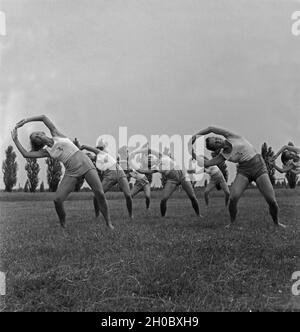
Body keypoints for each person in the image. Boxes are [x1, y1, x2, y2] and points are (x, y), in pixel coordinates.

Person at [11, 115, 113, 229]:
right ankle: (63, 225)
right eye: (35, 137)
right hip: (71, 171)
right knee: (57, 200)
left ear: (43, 132)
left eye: (38, 133)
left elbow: (43, 117)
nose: (38, 136)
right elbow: (26, 154)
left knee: (100, 193)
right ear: (38, 143)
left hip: (85, 163)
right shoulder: (47, 152)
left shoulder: (56, 134)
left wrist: (26, 121)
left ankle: (109, 223)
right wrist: (15, 140)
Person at [189, 126, 285, 228]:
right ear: (217, 149)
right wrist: (193, 154)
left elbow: (210, 128)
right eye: (215, 143)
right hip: (244, 170)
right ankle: (232, 223)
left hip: (258, 166)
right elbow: (207, 163)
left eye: (216, 139)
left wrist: (196, 136)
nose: (218, 141)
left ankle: (276, 223)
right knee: (233, 198)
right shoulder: (224, 155)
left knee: (272, 201)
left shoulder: (231, 136)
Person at [129, 146, 201, 218]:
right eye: (149, 161)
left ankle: (198, 215)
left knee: (192, 196)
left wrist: (135, 152)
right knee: (163, 200)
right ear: (150, 164)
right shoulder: (155, 168)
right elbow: (140, 171)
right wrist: (131, 161)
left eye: (150, 157)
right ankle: (163, 218)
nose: (149, 159)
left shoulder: (161, 156)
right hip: (172, 180)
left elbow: (149, 149)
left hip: (183, 176)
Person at [79, 139, 133, 219]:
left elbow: (84, 146)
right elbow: (95, 159)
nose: (99, 149)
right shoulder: (97, 157)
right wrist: (89, 157)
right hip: (108, 176)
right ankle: (97, 216)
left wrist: (78, 150)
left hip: (119, 172)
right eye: (98, 148)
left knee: (128, 195)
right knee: (96, 196)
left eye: (100, 148)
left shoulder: (102, 153)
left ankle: (131, 215)